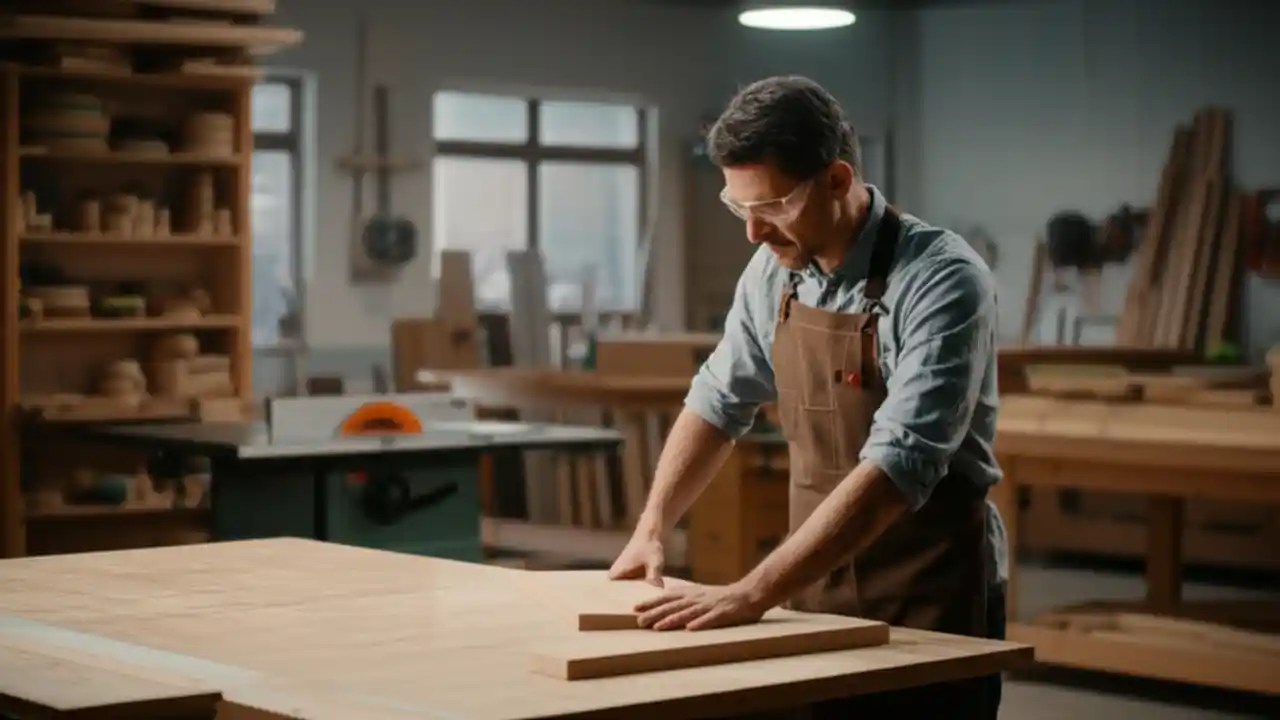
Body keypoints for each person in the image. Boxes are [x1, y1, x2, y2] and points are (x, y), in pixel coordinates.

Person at [608, 75, 1008, 718]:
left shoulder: (942, 279)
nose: (754, 234)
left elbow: (899, 464)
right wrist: (652, 526)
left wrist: (752, 591)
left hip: (927, 593)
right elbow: (717, 399)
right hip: (808, 586)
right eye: (739, 209)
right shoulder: (774, 273)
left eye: (772, 207)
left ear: (838, 180)